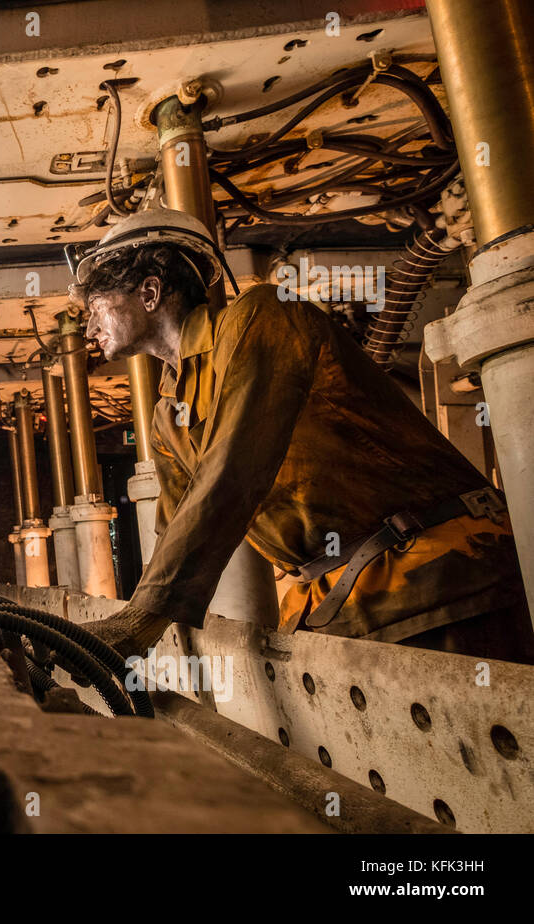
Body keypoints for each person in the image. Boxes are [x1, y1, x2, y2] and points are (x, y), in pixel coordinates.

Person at [67, 208, 533, 663]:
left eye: (94, 308)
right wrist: (150, 630)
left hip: (441, 580)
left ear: (149, 292)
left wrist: (139, 623)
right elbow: (175, 529)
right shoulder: (168, 411)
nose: (89, 327)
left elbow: (233, 470)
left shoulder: (264, 313)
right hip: (335, 609)